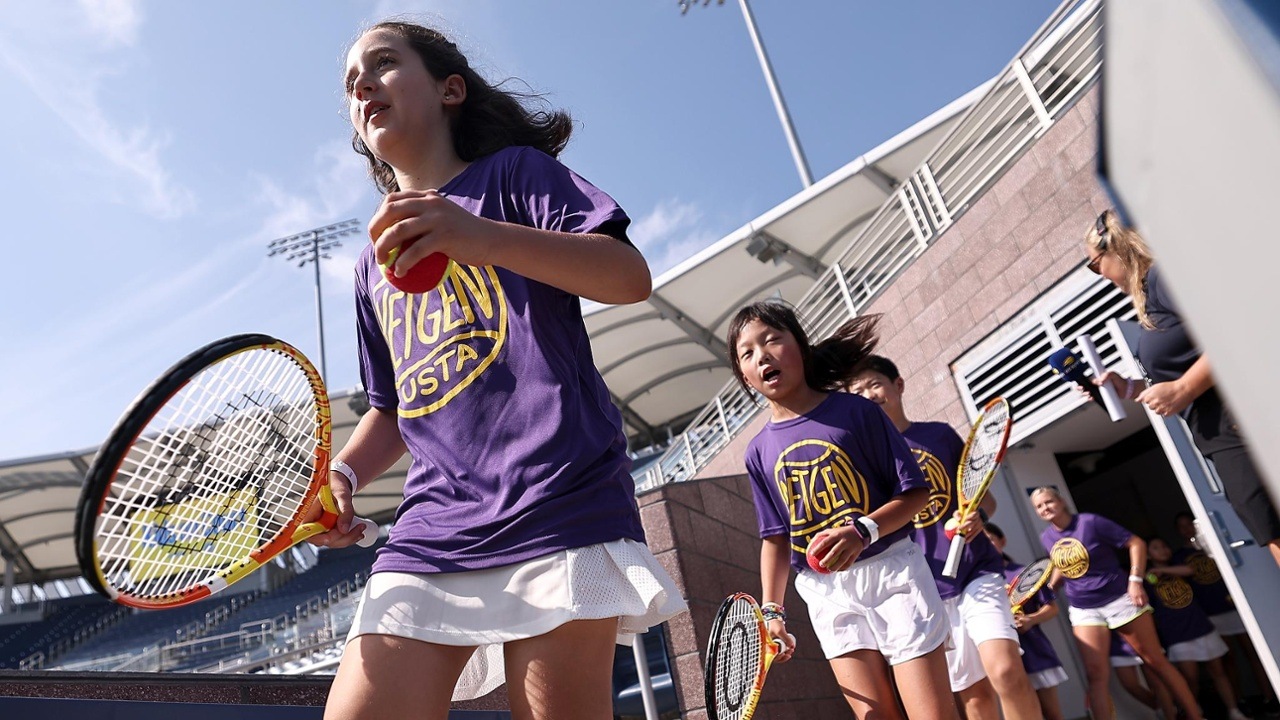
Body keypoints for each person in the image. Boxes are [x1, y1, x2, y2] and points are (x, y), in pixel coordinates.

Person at [305, 20, 685, 720]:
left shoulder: (517, 174)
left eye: (383, 64)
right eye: (350, 82)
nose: (361, 86)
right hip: (433, 526)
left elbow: (628, 276)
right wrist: (343, 476)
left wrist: (478, 237)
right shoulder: (369, 267)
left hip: (557, 498)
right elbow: (393, 409)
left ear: (450, 89)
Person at [729, 302, 958, 720]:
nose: (761, 356)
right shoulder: (757, 452)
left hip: (894, 573)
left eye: (772, 340)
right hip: (825, 592)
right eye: (747, 353)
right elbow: (776, 538)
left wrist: (861, 532)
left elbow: (915, 495)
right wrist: (772, 612)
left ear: (801, 347)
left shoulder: (857, 412)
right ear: (745, 376)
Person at [848, 357, 1043, 720]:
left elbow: (986, 501)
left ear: (898, 385)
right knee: (975, 698)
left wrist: (978, 518)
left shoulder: (939, 435)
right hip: (923, 590)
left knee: (1005, 671)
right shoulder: (864, 464)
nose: (868, 395)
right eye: (857, 392)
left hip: (976, 572)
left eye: (874, 384)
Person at [1084, 210, 1280, 567]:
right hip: (1221, 431)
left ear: (1117, 248)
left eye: (1096, 266)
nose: (1101, 277)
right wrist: (1127, 387)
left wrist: (1185, 388)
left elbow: (1234, 333)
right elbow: (1178, 373)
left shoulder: (1162, 278)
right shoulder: (1151, 294)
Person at [1030, 486, 1204, 720]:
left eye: (1049, 502)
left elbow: (1136, 543)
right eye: (1039, 506)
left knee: (1155, 661)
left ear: (1061, 502)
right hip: (1083, 608)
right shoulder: (1047, 537)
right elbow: (1063, 564)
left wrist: (1135, 581)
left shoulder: (1090, 522)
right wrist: (1051, 586)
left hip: (1120, 599)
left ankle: (1195, 715)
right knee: (1095, 675)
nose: (1045, 508)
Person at [1172, 512, 1278, 715]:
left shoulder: (1213, 546)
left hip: (1233, 606)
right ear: (1177, 531)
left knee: (1253, 652)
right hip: (1211, 613)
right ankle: (1239, 702)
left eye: (1189, 524)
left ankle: (1269, 697)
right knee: (1227, 661)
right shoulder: (1179, 557)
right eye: (1181, 526)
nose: (1186, 529)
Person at [1146, 537, 1251, 720]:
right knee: (1190, 679)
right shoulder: (1146, 579)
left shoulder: (1178, 566)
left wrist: (1163, 570)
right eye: (1156, 548)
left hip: (1201, 627)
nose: (1162, 549)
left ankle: (1234, 711)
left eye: (1164, 545)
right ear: (1147, 555)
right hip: (1178, 635)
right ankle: (1193, 712)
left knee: (1218, 671)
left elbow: (1190, 570)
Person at [985, 522, 1068, 720]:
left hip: (1034, 652)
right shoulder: (978, 581)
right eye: (981, 542)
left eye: (990, 539)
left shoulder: (1025, 573)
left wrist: (1030, 620)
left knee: (1052, 714)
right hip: (1003, 657)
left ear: (1002, 541)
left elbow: (1052, 608)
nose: (987, 545)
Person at [1111, 634, 1178, 720]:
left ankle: (1170, 714)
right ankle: (1163, 709)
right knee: (1129, 684)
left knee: (1156, 682)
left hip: (1138, 632)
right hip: (1116, 641)